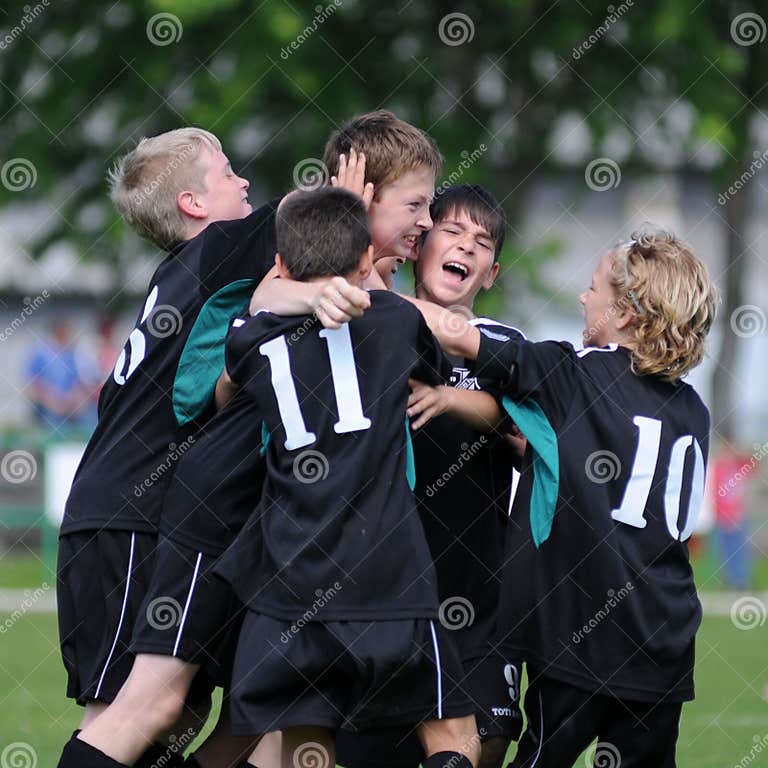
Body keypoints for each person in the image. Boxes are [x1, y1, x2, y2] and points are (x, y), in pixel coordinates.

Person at [413, 228, 717, 767]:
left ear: (624, 313)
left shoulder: (573, 372)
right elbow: (610, 462)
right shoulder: (693, 409)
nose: (583, 297)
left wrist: (351, 289)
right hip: (664, 645)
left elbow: (454, 332)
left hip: (584, 637)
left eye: (594, 288)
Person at [215, 187, 484, 768]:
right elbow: (433, 368)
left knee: (306, 746)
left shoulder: (249, 340)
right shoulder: (397, 320)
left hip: (293, 583)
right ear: (366, 260)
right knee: (454, 737)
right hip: (390, 578)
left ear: (281, 265)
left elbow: (224, 390)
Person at [56, 126, 282, 768]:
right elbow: (310, 214)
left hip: (113, 516)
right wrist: (363, 182)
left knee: (171, 720)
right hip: (127, 520)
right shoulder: (215, 250)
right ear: (193, 204)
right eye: (228, 171)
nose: (243, 181)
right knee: (128, 713)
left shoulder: (186, 276)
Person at [336, 185, 525, 768]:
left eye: (482, 243)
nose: (466, 247)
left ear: (491, 273)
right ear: (419, 246)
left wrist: (451, 399)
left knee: (487, 742)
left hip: (479, 591)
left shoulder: (503, 345)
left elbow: (524, 428)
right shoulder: (374, 328)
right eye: (453, 232)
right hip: (387, 589)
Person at [26, 318, 90, 432]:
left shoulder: (70, 354)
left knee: (89, 417)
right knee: (54, 422)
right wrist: (53, 401)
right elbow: (33, 384)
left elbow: (77, 381)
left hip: (69, 403)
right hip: (48, 404)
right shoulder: (41, 354)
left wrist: (76, 399)